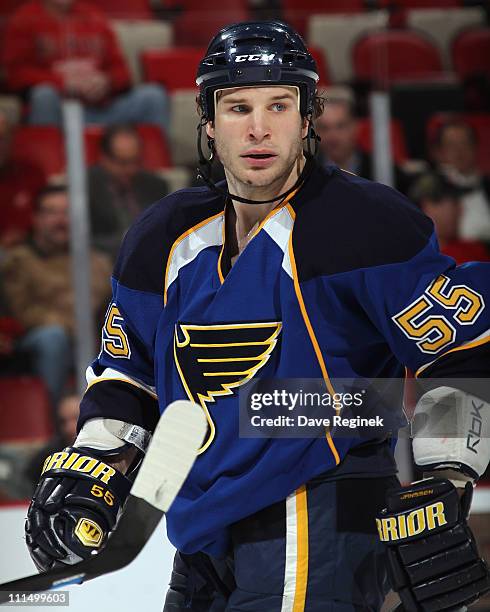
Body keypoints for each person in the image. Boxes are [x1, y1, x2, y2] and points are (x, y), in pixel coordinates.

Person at [25, 22, 490, 611]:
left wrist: (447, 474)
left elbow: (460, 345)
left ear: (307, 116)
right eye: (237, 106)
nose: (259, 127)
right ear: (209, 121)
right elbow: (129, 373)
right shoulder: (161, 235)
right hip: (200, 525)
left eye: (279, 104)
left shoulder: (367, 224)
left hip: (321, 510)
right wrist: (98, 459)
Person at [1, 185, 111, 407]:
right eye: (52, 212)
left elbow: (112, 307)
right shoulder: (19, 261)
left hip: (90, 340)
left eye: (67, 213)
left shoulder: (98, 261)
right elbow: (24, 313)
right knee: (53, 338)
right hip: (37, 341)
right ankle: (54, 422)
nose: (61, 220)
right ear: (37, 218)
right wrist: (75, 326)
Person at [2, 0, 169, 133]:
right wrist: (63, 83)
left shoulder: (94, 16)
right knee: (44, 95)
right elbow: (14, 75)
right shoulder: (24, 18)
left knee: (154, 96)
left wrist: (106, 81)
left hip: (99, 108)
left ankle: (151, 171)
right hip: (58, 110)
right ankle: (50, 170)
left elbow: (122, 72)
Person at [88, 124, 169, 259]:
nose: (130, 169)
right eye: (122, 162)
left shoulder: (156, 185)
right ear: (104, 158)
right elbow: (83, 240)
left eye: (135, 161)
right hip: (106, 261)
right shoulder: (86, 187)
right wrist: (127, 240)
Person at [431, 118, 490, 243]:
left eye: (465, 143)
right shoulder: (430, 187)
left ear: (476, 147)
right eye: (451, 145)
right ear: (439, 152)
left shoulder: (486, 184)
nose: (459, 151)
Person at [410, 173, 489, 265]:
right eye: (455, 203)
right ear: (427, 207)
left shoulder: (476, 250)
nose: (461, 210)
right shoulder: (414, 262)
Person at [0, 110, 46, 249]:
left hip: (26, 252)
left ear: (11, 139)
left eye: (2, 139)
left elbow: (42, 217)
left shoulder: (31, 173)